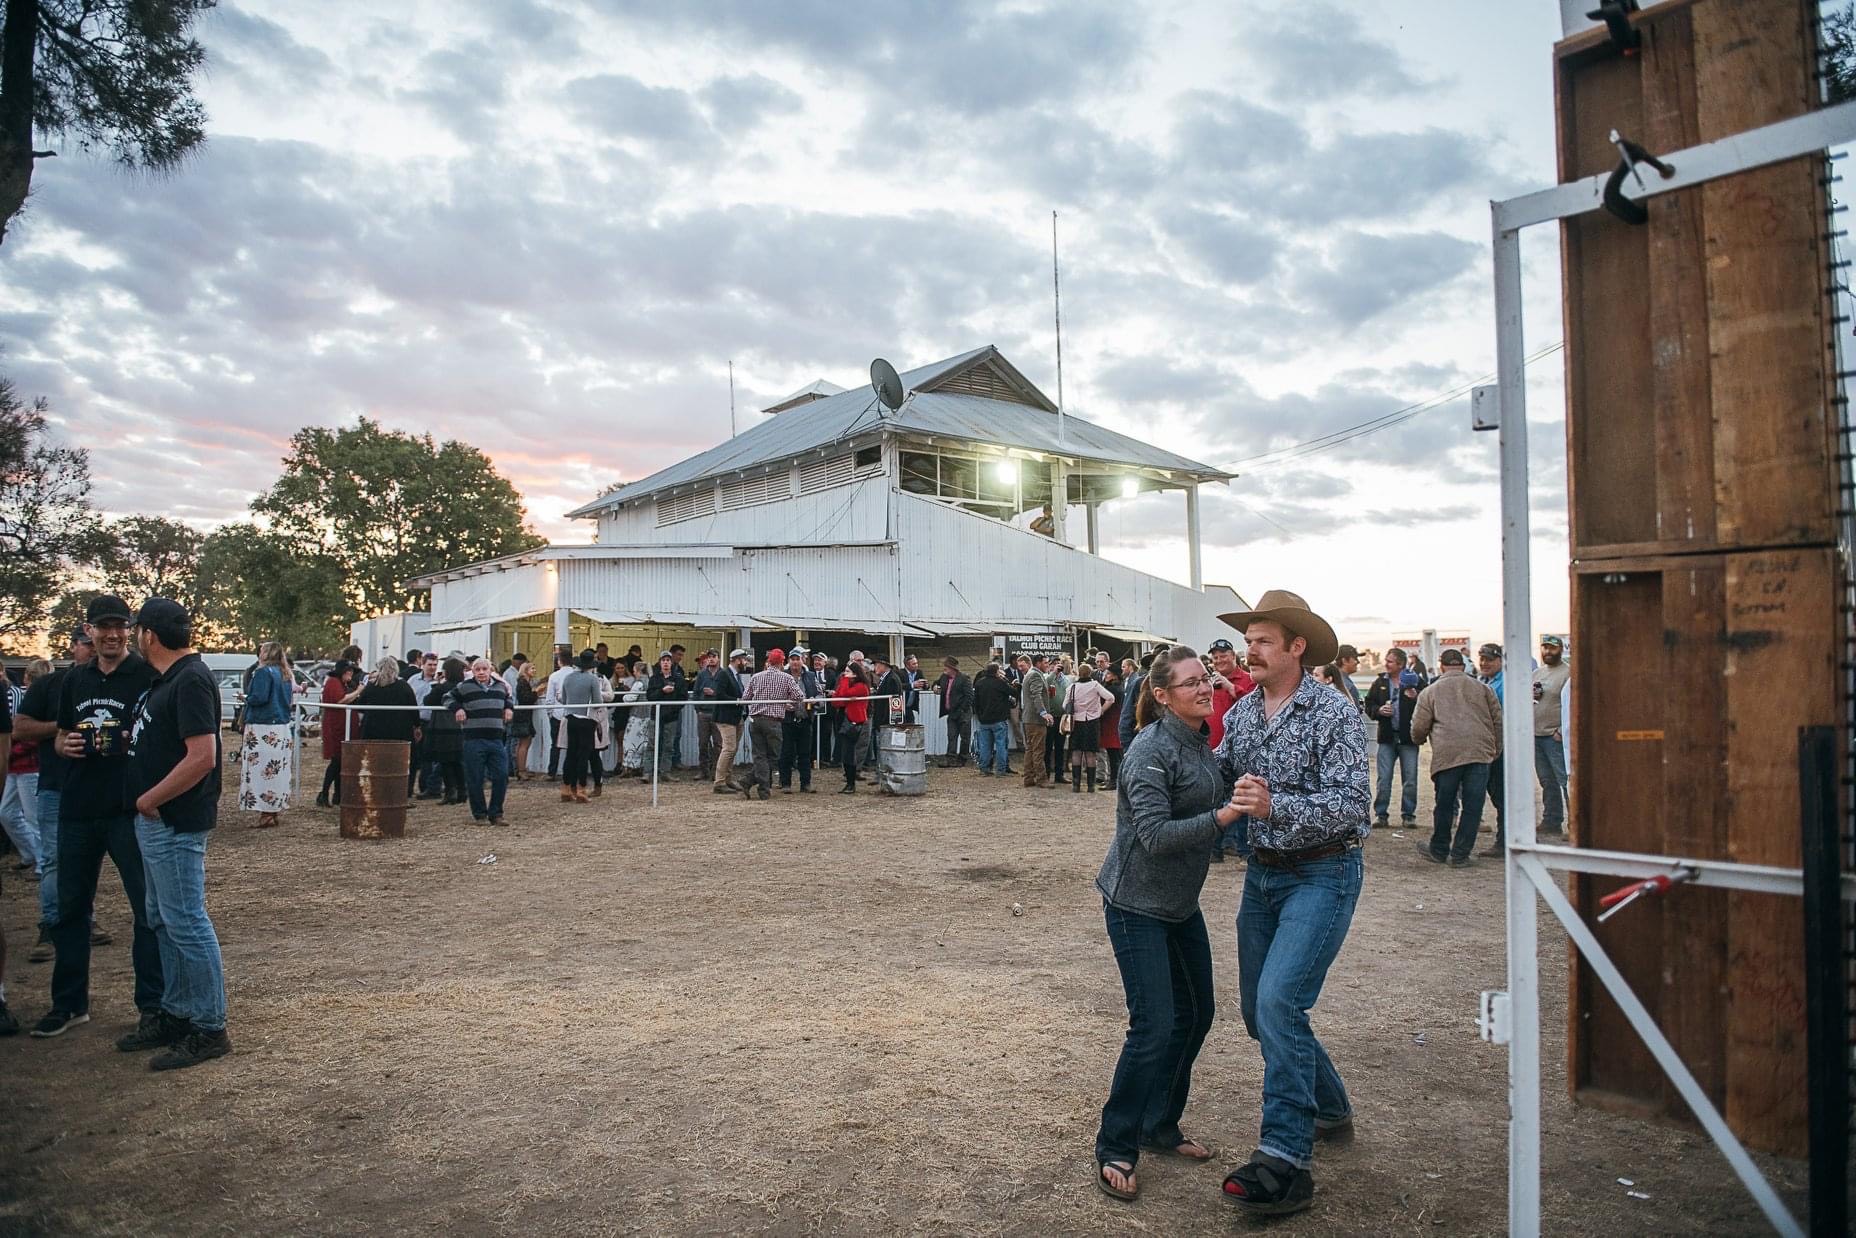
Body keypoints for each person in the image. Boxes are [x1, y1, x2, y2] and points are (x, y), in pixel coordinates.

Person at [1211, 590, 1370, 1217]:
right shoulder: (1246, 712)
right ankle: (1329, 1110)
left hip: (1322, 874)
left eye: (1262, 641)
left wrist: (1280, 806)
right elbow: (1217, 771)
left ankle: (1286, 1160)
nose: (1249, 651)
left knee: (1280, 1002)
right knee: (1260, 1011)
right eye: (1248, 641)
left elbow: (1354, 803)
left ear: (1296, 648)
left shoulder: (1333, 711)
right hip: (1263, 877)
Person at [1091, 644, 1244, 1203]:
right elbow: (1154, 837)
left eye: (1205, 679)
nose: (1204, 688)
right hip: (1135, 904)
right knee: (1154, 1025)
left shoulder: (1200, 741)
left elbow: (1209, 794)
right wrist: (1226, 816)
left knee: (1197, 1013)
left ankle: (1160, 1124)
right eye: (1190, 684)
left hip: (1180, 904)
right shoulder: (1150, 751)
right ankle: (1116, 1141)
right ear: (1161, 696)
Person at [32, 594, 162, 1040]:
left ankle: (151, 1006)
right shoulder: (74, 680)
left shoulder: (145, 676)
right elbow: (62, 730)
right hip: (78, 807)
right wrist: (61, 744)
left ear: (129, 630)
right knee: (70, 910)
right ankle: (69, 1004)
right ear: (87, 631)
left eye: (119, 626)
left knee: (145, 909)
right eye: (102, 627)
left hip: (128, 808)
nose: (111, 634)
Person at [122, 597, 231, 1070]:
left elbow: (201, 756)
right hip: (158, 823)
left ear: (148, 635)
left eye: (135, 632)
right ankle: (178, 1011)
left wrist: (151, 799)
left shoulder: (190, 679)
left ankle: (209, 1027)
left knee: (185, 920)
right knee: (163, 918)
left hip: (174, 821)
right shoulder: (169, 681)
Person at [17, 626, 103, 965]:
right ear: (73, 648)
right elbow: (20, 727)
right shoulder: (50, 684)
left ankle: (86, 918)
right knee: (54, 858)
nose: (91, 649)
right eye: (85, 644)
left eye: (93, 643)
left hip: (100, 787)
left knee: (90, 861)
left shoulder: (115, 682)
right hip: (56, 785)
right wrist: (63, 725)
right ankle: (51, 925)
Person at [1410, 648, 1502, 866]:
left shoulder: (1430, 691)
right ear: (1463, 665)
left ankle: (1439, 849)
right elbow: (1497, 721)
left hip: (1447, 755)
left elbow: (1419, 726)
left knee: (1445, 804)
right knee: (1473, 806)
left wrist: (1418, 739)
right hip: (1479, 752)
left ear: (1442, 666)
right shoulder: (1484, 688)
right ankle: (1461, 854)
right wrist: (1495, 750)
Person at [1206, 638, 1258, 860]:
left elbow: (1256, 705)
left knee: (1242, 798)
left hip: (1243, 749)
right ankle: (1215, 849)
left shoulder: (1248, 680)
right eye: (1215, 657)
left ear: (1233, 656)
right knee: (1215, 798)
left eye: (1223, 655)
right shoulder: (1209, 683)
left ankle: (1244, 850)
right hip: (1212, 748)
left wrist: (1230, 687)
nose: (1219, 660)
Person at [235, 644, 294, 829]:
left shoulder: (263, 672)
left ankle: (266, 812)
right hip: (282, 727)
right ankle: (273, 809)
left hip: (263, 726)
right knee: (277, 771)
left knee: (261, 771)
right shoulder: (285, 673)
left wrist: (245, 698)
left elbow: (260, 697)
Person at [449, 658, 515, 823]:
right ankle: (479, 814)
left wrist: (508, 707)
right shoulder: (464, 687)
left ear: (490, 670)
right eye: (477, 669)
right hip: (473, 739)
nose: (481, 672)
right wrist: (457, 708)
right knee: (475, 778)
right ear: (472, 671)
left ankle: (496, 813)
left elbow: (509, 698)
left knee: (501, 775)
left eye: (484, 669)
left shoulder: (501, 686)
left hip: (496, 739)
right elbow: (448, 698)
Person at [1362, 647, 1421, 829]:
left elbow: (1427, 703)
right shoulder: (1379, 682)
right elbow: (1369, 704)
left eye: (1390, 661)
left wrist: (1416, 697)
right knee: (1384, 778)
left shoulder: (1415, 682)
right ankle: (1381, 814)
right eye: (1386, 660)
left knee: (1410, 779)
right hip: (1387, 738)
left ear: (1401, 664)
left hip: (1408, 739)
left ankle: (1408, 815)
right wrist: (1378, 711)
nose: (1386, 664)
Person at [741, 649, 803, 800]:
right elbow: (799, 696)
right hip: (773, 721)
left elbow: (745, 698)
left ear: (769, 661)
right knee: (773, 757)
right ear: (782, 662)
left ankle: (750, 782)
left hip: (755, 720)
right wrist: (785, 703)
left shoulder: (756, 677)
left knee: (760, 755)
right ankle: (759, 787)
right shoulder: (786, 678)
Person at [0, 660, 40, 873]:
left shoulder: (19, 697)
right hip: (13, 766)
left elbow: (26, 734)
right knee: (6, 813)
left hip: (28, 766)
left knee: (34, 817)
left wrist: (9, 749)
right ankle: (30, 853)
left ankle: (42, 864)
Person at [1533, 635, 1571, 837]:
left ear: (1560, 649)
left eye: (1552, 648)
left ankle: (1575, 825)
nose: (1548, 652)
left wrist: (1561, 730)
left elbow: (1573, 703)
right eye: (1545, 648)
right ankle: (1551, 821)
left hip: (1556, 737)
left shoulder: (1568, 672)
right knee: (1547, 781)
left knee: (1565, 780)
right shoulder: (1537, 673)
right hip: (1537, 735)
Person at [555, 650, 603, 804]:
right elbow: (597, 701)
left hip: (570, 718)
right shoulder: (593, 679)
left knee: (570, 754)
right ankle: (582, 788)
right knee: (584, 754)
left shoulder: (568, 678)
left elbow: (563, 699)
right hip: (586, 719)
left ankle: (566, 788)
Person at [1475, 643, 1508, 856]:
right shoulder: (1483, 682)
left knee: (1502, 794)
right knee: (1496, 793)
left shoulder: (1505, 683)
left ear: (1500, 660)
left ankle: (1505, 841)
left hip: (1501, 746)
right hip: (1488, 745)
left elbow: (1501, 718)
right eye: (1482, 659)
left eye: (1489, 659)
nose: (1484, 663)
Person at [1063, 665, 1115, 793]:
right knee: (1090, 753)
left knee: (1076, 751)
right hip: (1092, 721)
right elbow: (1110, 698)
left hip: (1077, 721)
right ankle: (1091, 785)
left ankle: (1076, 784)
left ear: (1079, 674)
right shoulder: (1095, 685)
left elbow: (1064, 705)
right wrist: (1101, 710)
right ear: (1090, 673)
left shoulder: (1072, 687)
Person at [315, 660, 358, 808]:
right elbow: (340, 700)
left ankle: (338, 795)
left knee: (341, 762)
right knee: (336, 761)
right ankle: (324, 793)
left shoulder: (344, 684)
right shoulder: (333, 682)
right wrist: (359, 690)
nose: (351, 674)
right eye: (348, 671)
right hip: (336, 727)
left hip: (344, 726)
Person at [423, 660, 467, 805]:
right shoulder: (465, 687)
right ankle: (462, 791)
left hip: (443, 727)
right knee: (458, 762)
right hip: (460, 727)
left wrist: (437, 684)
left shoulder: (442, 688)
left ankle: (450, 791)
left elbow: (428, 701)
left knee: (446, 761)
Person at [354, 656, 418, 742]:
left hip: (373, 728)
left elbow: (360, 707)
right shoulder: (404, 686)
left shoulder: (371, 686)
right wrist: (417, 725)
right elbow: (413, 707)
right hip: (399, 729)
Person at [711, 650, 747, 794]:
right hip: (726, 718)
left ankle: (728, 778)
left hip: (735, 717)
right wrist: (737, 701)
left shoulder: (734, 675)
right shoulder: (724, 674)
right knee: (729, 749)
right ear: (736, 660)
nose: (745, 663)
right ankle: (719, 781)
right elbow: (719, 694)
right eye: (743, 660)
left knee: (732, 749)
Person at [647, 652, 689, 777]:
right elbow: (650, 696)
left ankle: (665, 772)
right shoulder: (654, 679)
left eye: (668, 660)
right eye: (663, 660)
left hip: (671, 717)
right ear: (660, 663)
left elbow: (683, 698)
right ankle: (648, 772)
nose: (665, 662)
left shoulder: (679, 679)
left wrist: (673, 709)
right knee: (651, 744)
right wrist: (662, 691)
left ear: (671, 663)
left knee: (669, 746)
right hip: (656, 716)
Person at [835, 660, 872, 794]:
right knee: (846, 753)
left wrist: (844, 682)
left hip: (855, 722)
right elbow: (837, 700)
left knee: (849, 753)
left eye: (847, 672)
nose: (844, 674)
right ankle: (850, 782)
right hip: (846, 720)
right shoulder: (851, 686)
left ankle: (851, 783)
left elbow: (843, 695)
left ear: (855, 674)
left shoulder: (861, 687)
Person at [971, 662, 1013, 776]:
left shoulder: (979, 683)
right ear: (996, 671)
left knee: (985, 746)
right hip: (999, 719)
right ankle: (1000, 770)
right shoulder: (1000, 683)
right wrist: (1006, 680)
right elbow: (1013, 692)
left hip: (984, 720)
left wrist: (980, 715)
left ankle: (984, 769)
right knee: (1000, 745)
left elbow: (975, 702)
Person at [1019, 654, 1052, 788]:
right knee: (1038, 750)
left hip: (1029, 718)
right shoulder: (1035, 675)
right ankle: (1041, 779)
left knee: (1030, 749)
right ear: (1038, 663)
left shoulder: (1030, 674)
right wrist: (1044, 713)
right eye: (1045, 663)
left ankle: (1028, 778)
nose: (1047, 666)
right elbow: (1036, 695)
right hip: (1036, 719)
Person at [933, 658, 972, 768]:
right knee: (951, 736)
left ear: (952, 669)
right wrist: (934, 686)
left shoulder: (964, 678)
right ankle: (950, 758)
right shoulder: (944, 677)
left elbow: (969, 696)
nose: (944, 668)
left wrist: (962, 709)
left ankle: (962, 758)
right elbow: (936, 682)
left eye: (946, 666)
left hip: (963, 713)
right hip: (951, 713)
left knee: (965, 737)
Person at [693, 650, 724, 783]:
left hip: (717, 713)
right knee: (702, 743)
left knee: (718, 744)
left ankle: (716, 771)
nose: (711, 659)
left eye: (713, 657)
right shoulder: (701, 675)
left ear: (718, 658)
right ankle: (703, 770)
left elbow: (727, 692)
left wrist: (715, 693)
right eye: (709, 657)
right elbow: (695, 693)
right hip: (704, 713)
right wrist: (698, 709)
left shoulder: (723, 674)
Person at [543, 649, 574, 781]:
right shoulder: (575, 675)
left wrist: (550, 712)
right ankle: (571, 771)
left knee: (555, 744)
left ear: (559, 661)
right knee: (573, 744)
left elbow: (549, 698)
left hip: (557, 713)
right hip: (573, 713)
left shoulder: (554, 676)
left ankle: (552, 771)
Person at [1045, 656, 1072, 789]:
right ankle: (1046, 773)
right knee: (1048, 746)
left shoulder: (1067, 680)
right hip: (1050, 717)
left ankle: (1059, 774)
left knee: (1060, 747)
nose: (1057, 666)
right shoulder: (1047, 677)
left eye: (1059, 664)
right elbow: (1045, 685)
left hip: (1061, 717)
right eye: (1054, 664)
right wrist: (1053, 673)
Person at [511, 660, 539, 779]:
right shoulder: (523, 683)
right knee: (525, 743)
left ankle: (520, 768)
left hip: (523, 715)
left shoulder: (523, 682)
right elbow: (526, 699)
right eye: (532, 668)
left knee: (523, 743)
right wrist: (536, 693)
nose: (534, 670)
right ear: (525, 671)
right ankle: (521, 770)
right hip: (523, 716)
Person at [1098, 664, 1124, 791]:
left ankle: (1114, 781)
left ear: (1114, 676)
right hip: (1114, 723)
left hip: (1111, 724)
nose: (1105, 676)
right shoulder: (1118, 687)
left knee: (1114, 755)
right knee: (1115, 755)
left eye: (1108, 674)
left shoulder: (1113, 689)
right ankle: (1115, 780)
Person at [1333, 645, 1364, 710]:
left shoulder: (1328, 679)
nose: (1358, 662)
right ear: (1344, 661)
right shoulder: (1347, 686)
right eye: (1355, 658)